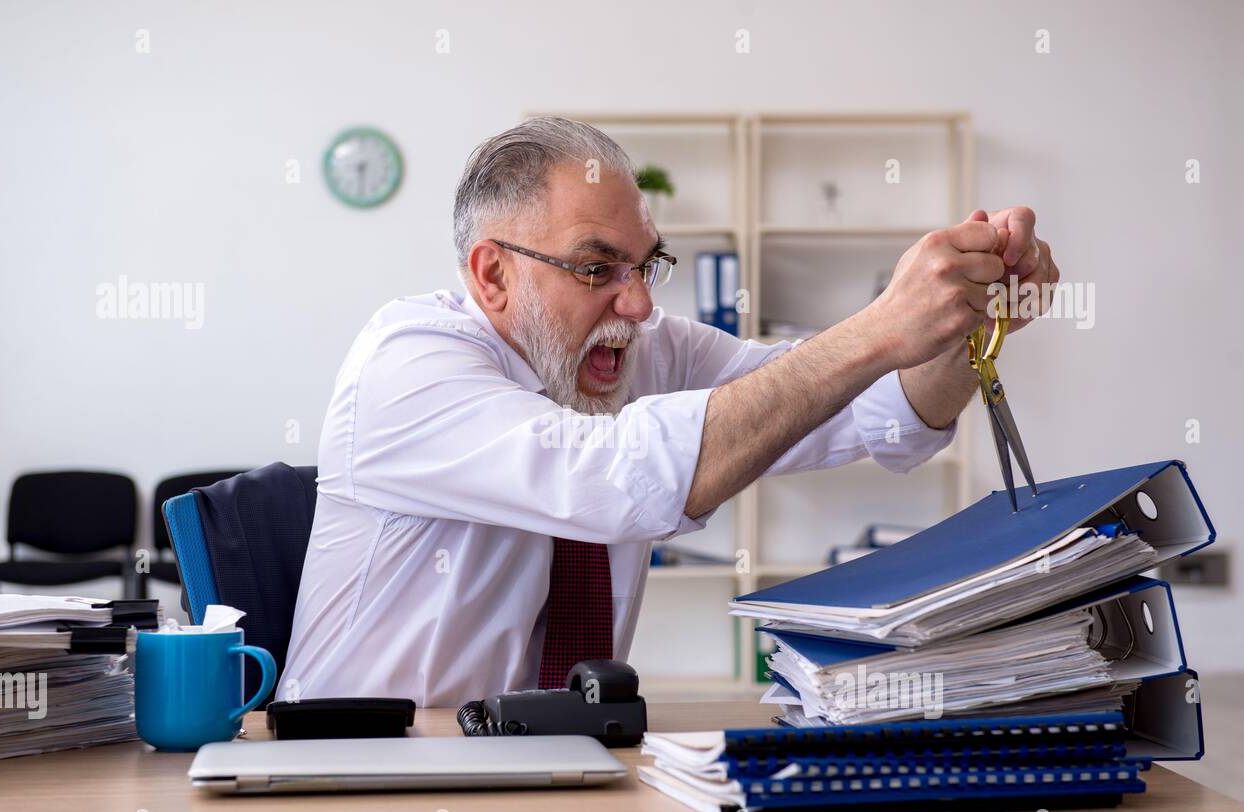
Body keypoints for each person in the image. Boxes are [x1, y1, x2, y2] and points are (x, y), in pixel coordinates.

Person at [279, 116, 1058, 707]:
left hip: (556, 767)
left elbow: (877, 412)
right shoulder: (408, 363)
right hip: (368, 773)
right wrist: (877, 326)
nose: (640, 302)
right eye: (596, 267)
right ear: (492, 274)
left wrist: (971, 321)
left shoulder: (652, 350)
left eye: (645, 263)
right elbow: (613, 479)